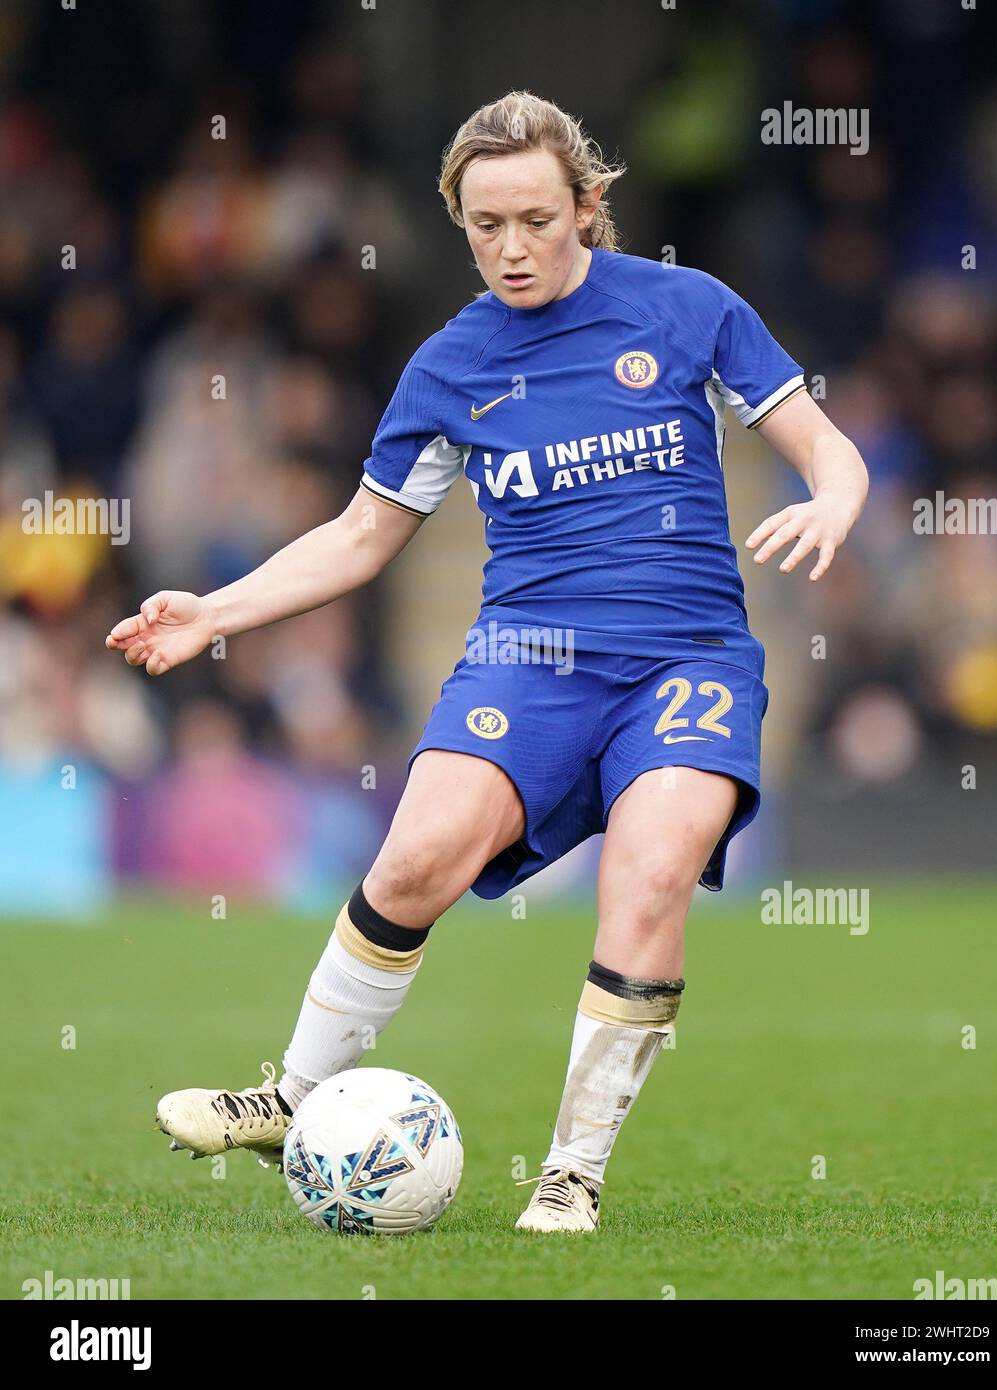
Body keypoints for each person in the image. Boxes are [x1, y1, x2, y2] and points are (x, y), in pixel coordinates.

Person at [106, 91, 868, 1233]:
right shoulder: (449, 365)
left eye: (533, 218)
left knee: (651, 872)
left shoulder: (687, 308)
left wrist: (835, 499)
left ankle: (571, 1171)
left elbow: (823, 445)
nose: (510, 247)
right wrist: (216, 612)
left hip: (686, 656)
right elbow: (362, 536)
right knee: (414, 858)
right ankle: (294, 1094)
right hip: (526, 658)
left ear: (587, 206)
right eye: (482, 224)